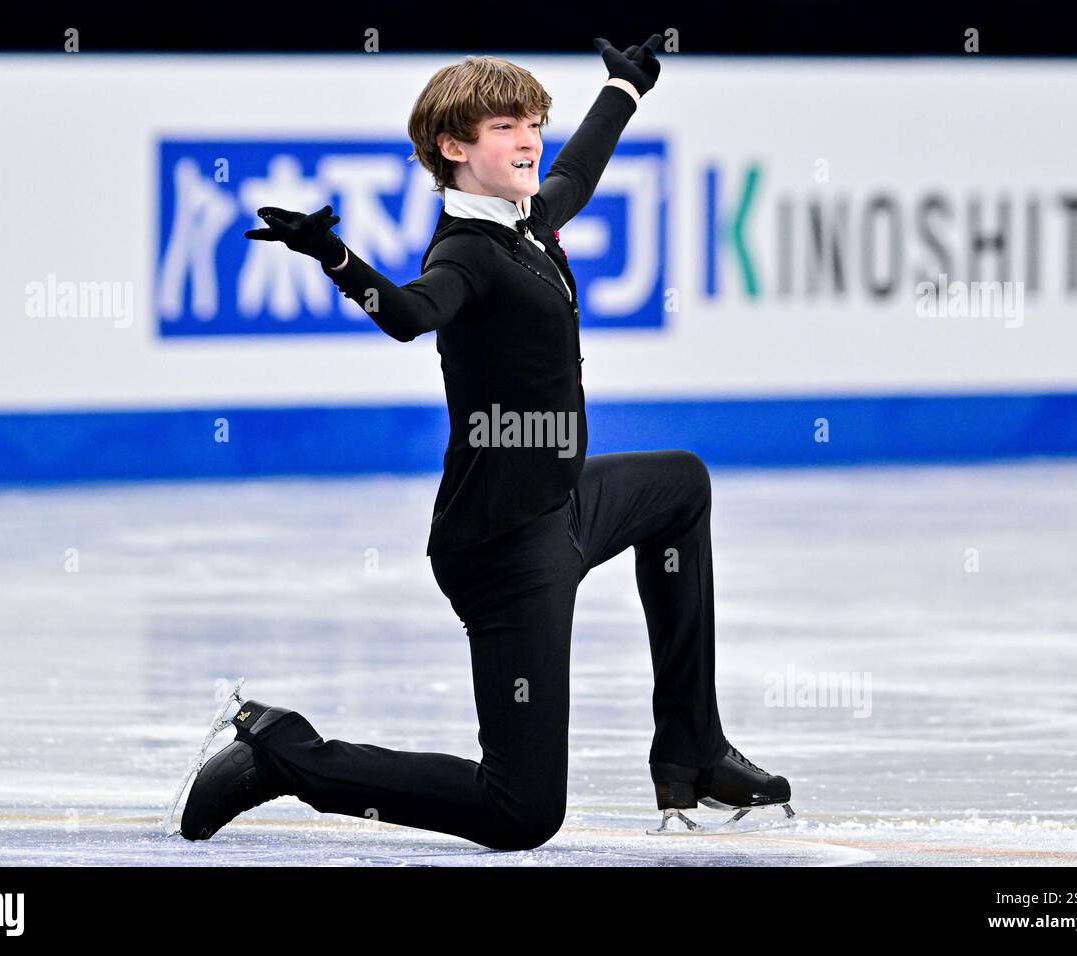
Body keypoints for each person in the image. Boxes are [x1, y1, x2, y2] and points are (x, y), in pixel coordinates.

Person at [176, 34, 793, 850]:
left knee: (680, 486)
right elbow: (407, 316)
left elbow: (578, 168)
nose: (530, 136)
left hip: (564, 507)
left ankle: (693, 751)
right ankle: (283, 753)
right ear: (453, 147)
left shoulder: (526, 219)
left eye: (534, 119)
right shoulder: (466, 252)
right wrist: (334, 255)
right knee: (521, 813)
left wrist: (624, 88)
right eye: (507, 125)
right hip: (504, 549)